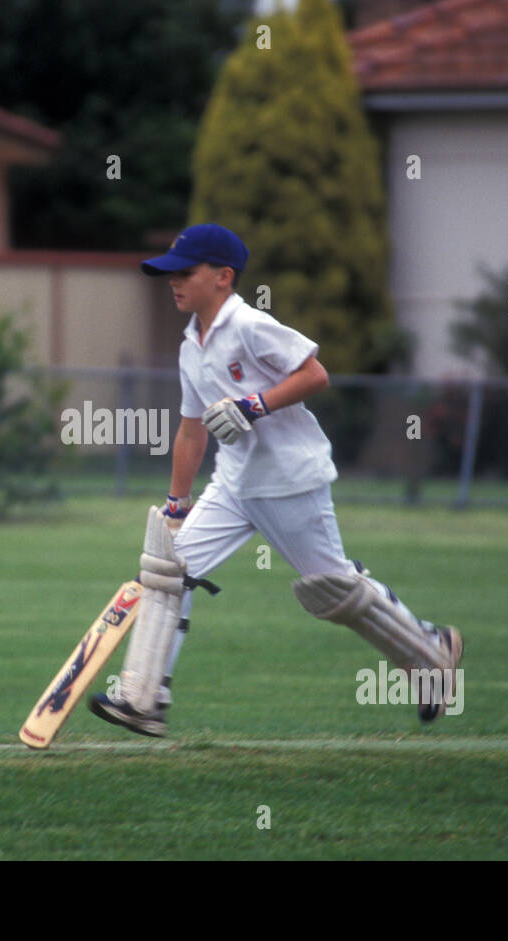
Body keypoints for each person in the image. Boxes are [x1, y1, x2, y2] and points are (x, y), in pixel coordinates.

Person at [89, 223, 463, 737]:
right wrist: (176, 504)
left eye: (185, 272)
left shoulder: (248, 324)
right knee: (167, 569)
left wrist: (254, 405)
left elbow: (315, 374)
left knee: (333, 591)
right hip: (234, 483)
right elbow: (191, 431)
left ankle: (431, 652)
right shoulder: (189, 346)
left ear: (223, 277)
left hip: (289, 478)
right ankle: (143, 698)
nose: (173, 282)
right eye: (170, 274)